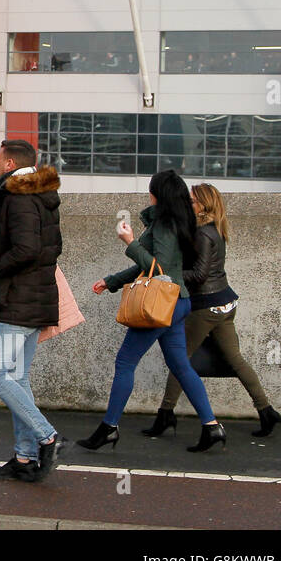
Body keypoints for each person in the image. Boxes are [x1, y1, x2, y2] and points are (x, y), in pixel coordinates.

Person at [83, 170, 226, 453]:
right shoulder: (181, 222)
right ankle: (212, 427)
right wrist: (111, 281)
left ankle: (109, 428)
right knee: (181, 366)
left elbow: (156, 269)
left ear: (156, 195)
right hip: (179, 302)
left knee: (125, 362)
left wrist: (130, 242)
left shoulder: (164, 224)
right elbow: (149, 268)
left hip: (163, 304)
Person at [143, 183, 281, 438]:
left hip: (206, 307)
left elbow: (199, 274)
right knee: (235, 360)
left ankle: (165, 415)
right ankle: (267, 412)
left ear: (204, 206)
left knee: (179, 360)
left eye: (192, 201)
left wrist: (169, 274)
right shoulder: (213, 230)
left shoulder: (203, 234)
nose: (189, 204)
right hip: (225, 304)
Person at [0, 139, 64, 483]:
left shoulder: (18, 197)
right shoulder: (41, 196)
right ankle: (25, 458)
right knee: (18, 379)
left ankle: (47, 436)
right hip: (31, 300)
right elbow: (54, 247)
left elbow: (27, 248)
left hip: (15, 302)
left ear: (10, 164)